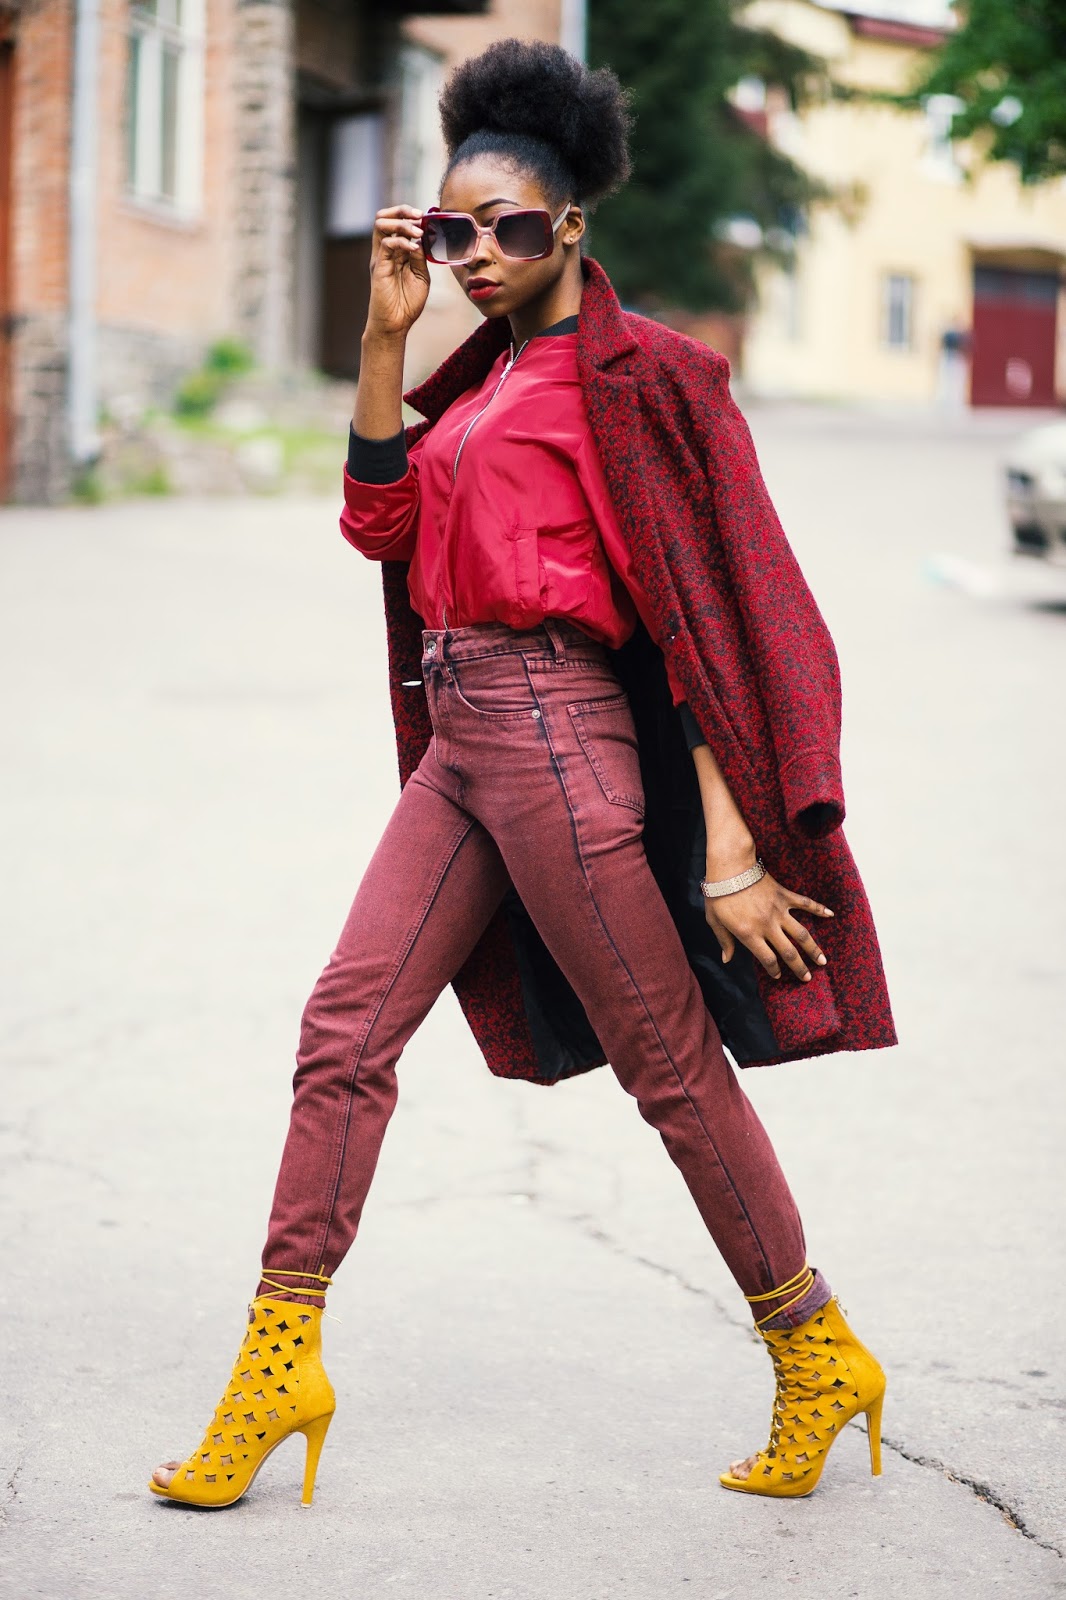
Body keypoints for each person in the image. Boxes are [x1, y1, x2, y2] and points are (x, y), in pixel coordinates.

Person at [150, 38, 893, 1512]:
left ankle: (816, 1354)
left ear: (572, 228)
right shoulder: (471, 381)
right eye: (447, 227)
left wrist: (733, 848)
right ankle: (280, 1361)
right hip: (460, 744)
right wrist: (384, 340)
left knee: (670, 1072)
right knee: (342, 1030)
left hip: (562, 745)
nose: (472, 252)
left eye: (502, 227)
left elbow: (712, 619)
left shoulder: (649, 380)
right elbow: (377, 531)